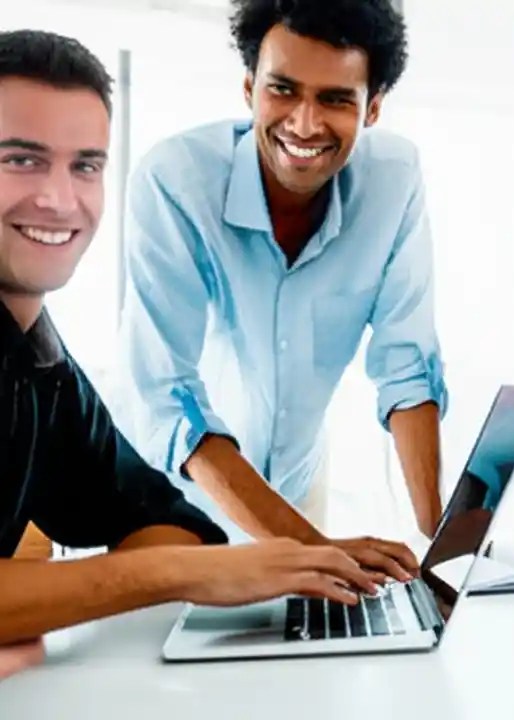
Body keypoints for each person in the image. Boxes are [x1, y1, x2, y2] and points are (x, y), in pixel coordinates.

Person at [0, 29, 380, 681]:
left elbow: (165, 522)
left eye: (85, 166)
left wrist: (39, 604)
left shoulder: (40, 360)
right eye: (21, 160)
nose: (60, 200)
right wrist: (183, 573)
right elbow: (180, 557)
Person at [114, 0, 446, 581]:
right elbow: (170, 396)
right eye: (283, 90)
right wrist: (314, 549)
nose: (305, 124)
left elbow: (407, 367)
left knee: (324, 635)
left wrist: (440, 549)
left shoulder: (393, 180)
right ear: (249, 88)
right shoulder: (176, 181)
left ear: (372, 108)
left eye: (335, 99)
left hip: (293, 495)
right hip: (165, 502)